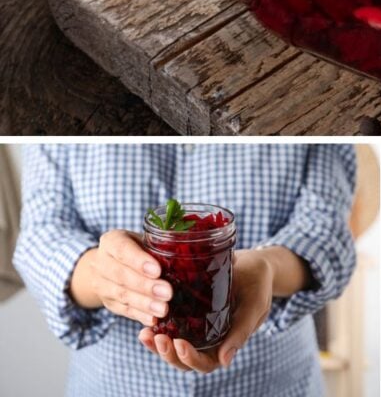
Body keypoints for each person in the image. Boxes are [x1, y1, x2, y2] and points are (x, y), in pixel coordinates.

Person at [14, 143, 357, 397]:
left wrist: (266, 266)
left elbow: (325, 229)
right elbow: (42, 233)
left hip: (275, 382)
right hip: (112, 385)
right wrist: (102, 276)